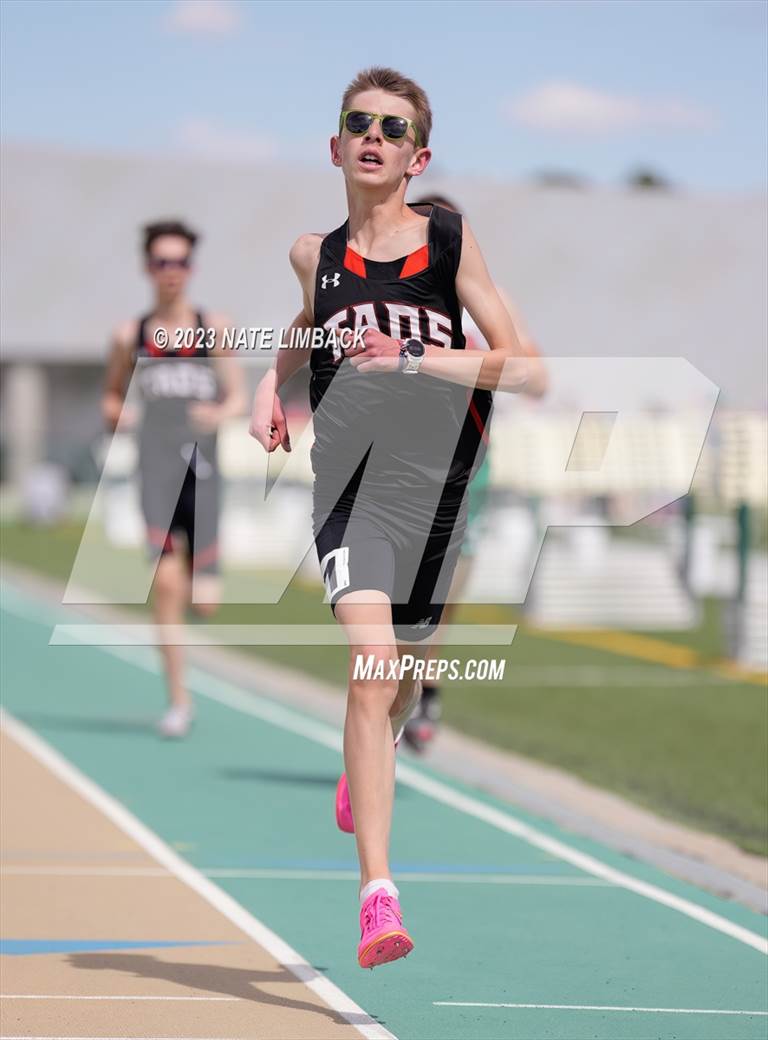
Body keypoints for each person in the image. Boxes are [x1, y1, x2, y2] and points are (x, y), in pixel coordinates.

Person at [250, 66, 536, 969]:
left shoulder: (449, 245)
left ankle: (367, 755)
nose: (374, 136)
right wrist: (270, 379)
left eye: (393, 127)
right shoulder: (313, 253)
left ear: (417, 156)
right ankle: (379, 896)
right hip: (350, 492)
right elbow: (306, 323)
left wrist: (412, 356)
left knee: (400, 689)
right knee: (372, 673)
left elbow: (524, 367)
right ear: (336, 146)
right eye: (358, 123)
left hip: (435, 496)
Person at [402, 194, 548, 753]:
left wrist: (473, 358)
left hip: (464, 469)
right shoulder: (388, 298)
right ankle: (383, 718)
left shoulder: (487, 300)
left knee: (437, 601)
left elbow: (535, 379)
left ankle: (423, 689)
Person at [103, 220, 244, 738]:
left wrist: (221, 412)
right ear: (148, 268)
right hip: (156, 476)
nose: (171, 272)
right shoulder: (130, 336)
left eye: (179, 262)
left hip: (203, 477)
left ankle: (198, 584)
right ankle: (179, 702)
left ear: (191, 269)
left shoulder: (214, 327)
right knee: (165, 586)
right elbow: (110, 397)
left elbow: (237, 396)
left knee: (203, 599)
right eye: (161, 262)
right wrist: (122, 415)